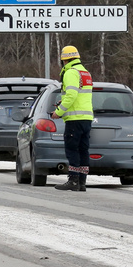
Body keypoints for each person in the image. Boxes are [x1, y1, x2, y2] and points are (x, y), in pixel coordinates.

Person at [53, 45, 94, 191]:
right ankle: (82, 182)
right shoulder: (85, 72)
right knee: (83, 150)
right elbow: (79, 96)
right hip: (86, 118)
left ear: (64, 59)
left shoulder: (71, 72)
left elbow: (71, 95)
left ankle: (73, 180)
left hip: (74, 118)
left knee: (72, 150)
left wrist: (59, 111)